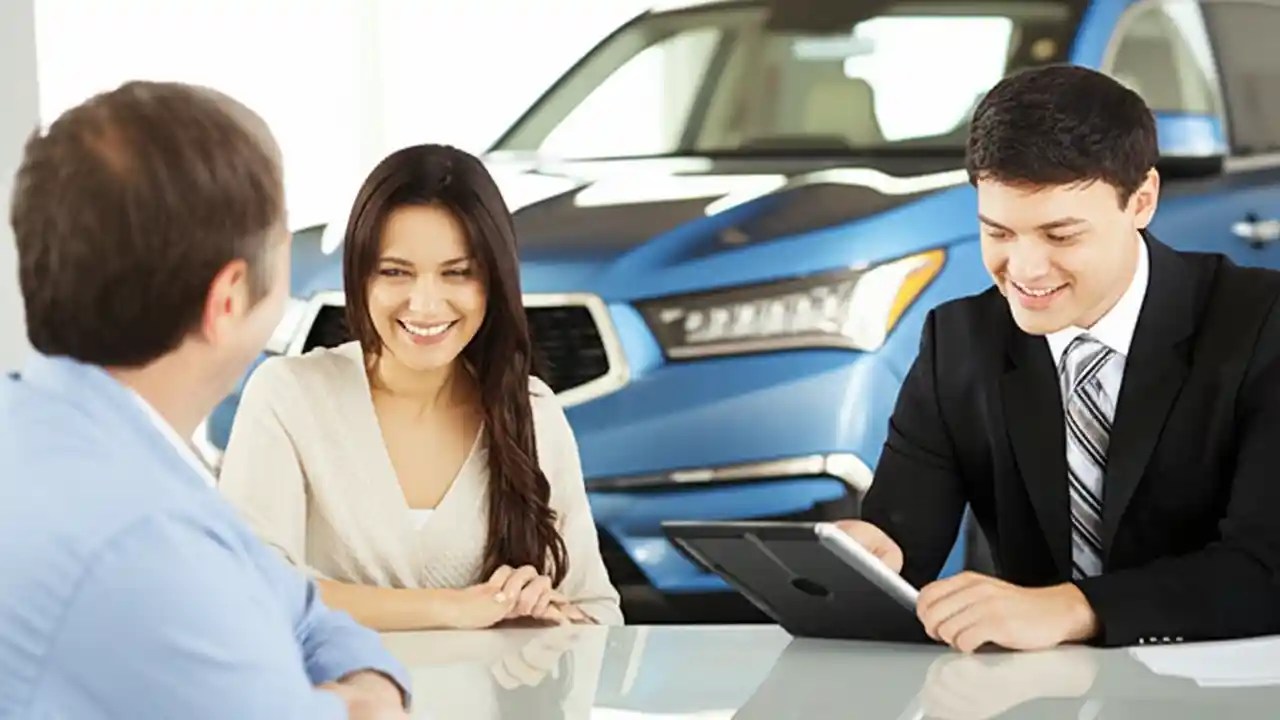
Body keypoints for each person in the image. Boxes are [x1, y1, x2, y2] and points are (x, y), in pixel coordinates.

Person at [0, 82, 411, 719]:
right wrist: (365, 704)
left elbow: (300, 609)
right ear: (228, 300)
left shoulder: (52, 430)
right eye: (282, 235)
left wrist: (360, 692)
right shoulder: (148, 542)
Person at [840, 65, 1280, 652]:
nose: (1025, 270)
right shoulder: (959, 341)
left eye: (1061, 236)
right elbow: (903, 540)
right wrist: (876, 555)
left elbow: (1265, 567)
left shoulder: (1260, 323)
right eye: (998, 233)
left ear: (1142, 200)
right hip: (1038, 689)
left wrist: (1073, 609)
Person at [217, 143, 622, 631]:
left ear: (493, 281)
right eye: (395, 272)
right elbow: (249, 589)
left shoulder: (533, 412)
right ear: (360, 277)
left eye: (458, 273)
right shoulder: (289, 396)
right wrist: (449, 609)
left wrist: (546, 619)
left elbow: (598, 615)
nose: (426, 305)